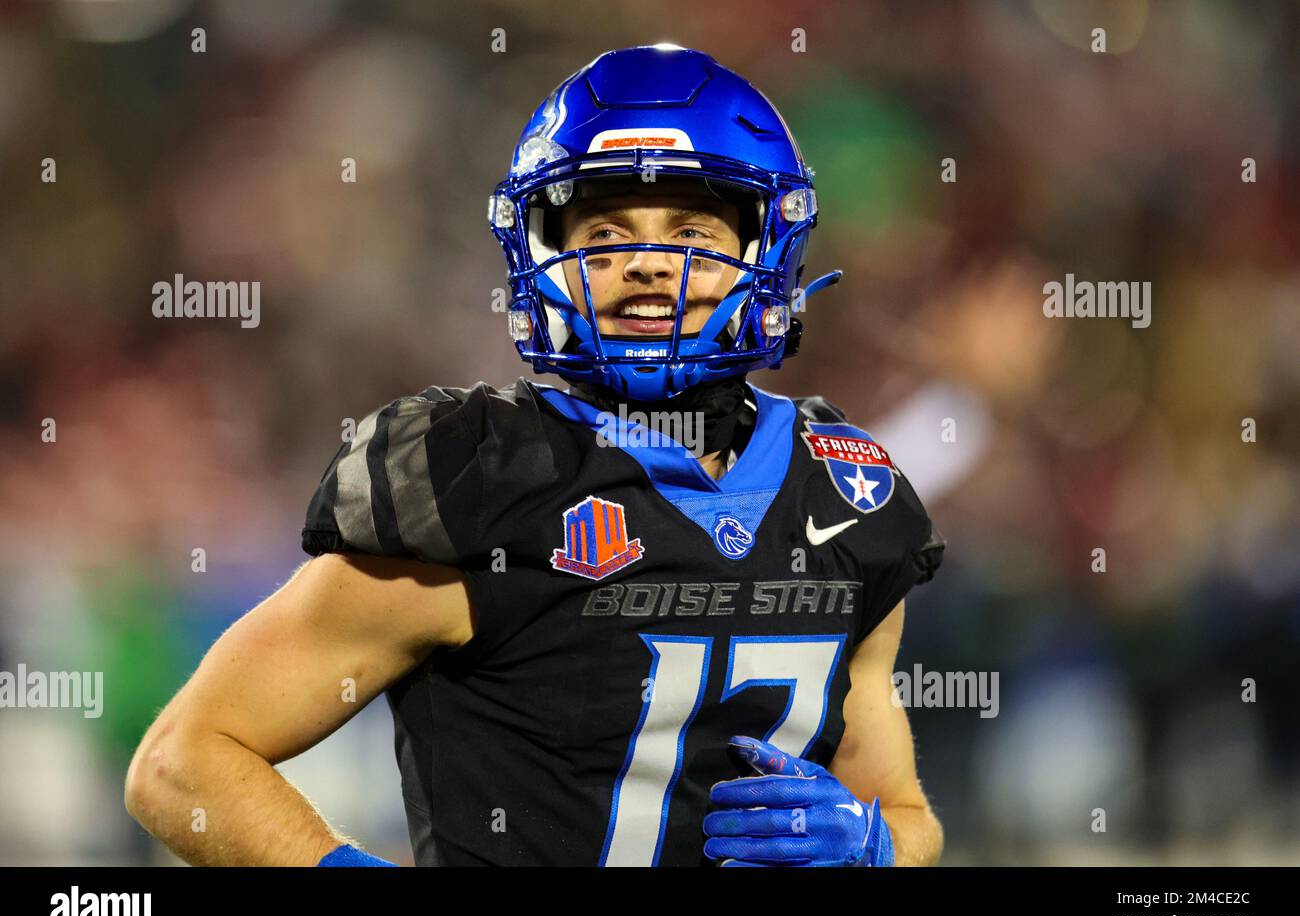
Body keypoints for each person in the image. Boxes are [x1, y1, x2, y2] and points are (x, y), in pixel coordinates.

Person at [125, 44, 944, 867]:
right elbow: (183, 762)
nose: (649, 263)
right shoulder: (478, 478)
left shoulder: (845, 491)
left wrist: (873, 848)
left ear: (769, 248)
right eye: (604, 231)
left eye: (691, 229)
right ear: (542, 256)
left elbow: (906, 815)